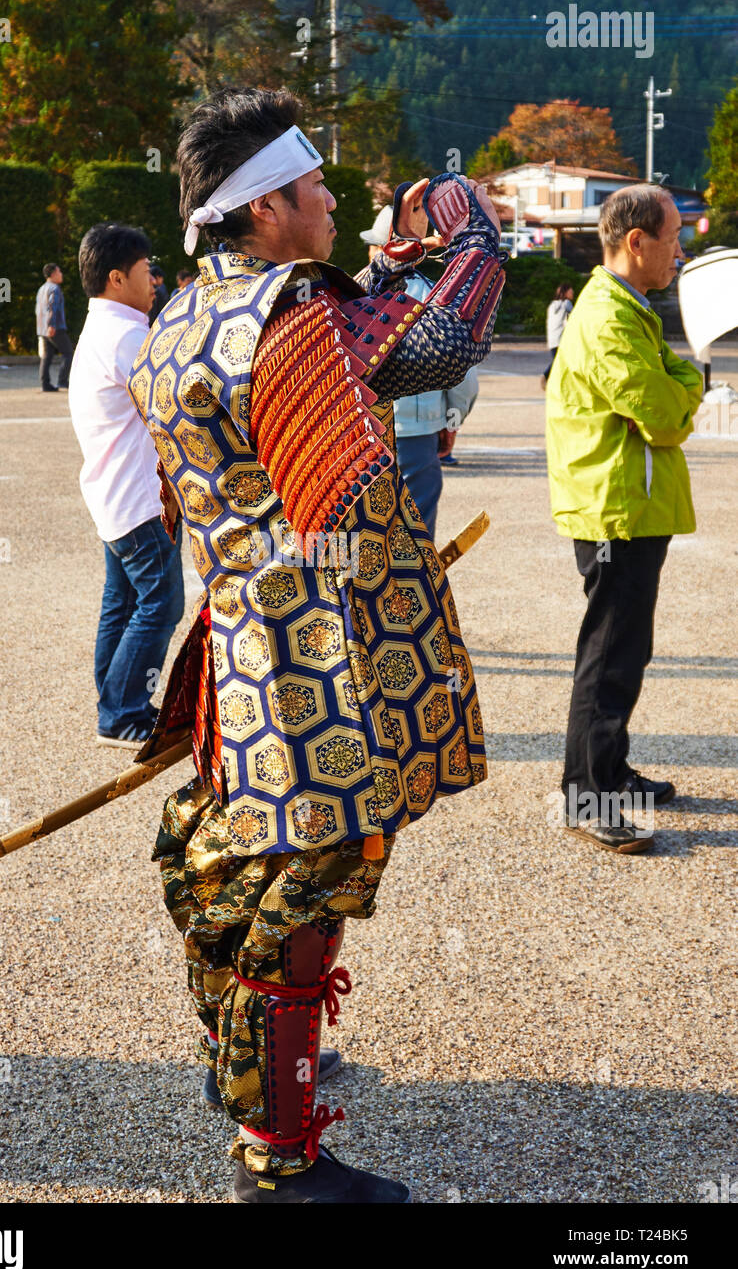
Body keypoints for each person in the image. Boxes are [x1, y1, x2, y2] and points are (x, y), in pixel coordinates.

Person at [127, 87, 506, 1203]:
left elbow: (325, 365)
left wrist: (379, 273)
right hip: (315, 666)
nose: (331, 197)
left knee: (223, 858)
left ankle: (234, 1067)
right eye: (312, 187)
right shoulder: (293, 315)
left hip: (234, 643)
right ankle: (278, 1158)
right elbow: (443, 344)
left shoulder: (184, 316)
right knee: (310, 886)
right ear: (265, 210)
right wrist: (471, 238)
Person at [546, 186, 703, 854]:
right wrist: (691, 385)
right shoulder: (610, 316)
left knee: (624, 648)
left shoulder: (627, 308)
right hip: (615, 508)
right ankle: (585, 792)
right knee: (609, 653)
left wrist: (680, 382)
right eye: (672, 237)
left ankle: (608, 771)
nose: (679, 250)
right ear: (635, 241)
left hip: (629, 504)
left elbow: (671, 380)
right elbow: (665, 414)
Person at [68, 224, 185, 747]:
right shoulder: (128, 336)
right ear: (117, 277)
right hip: (139, 499)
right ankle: (123, 712)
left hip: (112, 494)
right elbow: (178, 401)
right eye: (145, 270)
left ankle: (114, 701)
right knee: (161, 603)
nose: (154, 279)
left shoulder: (101, 328)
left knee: (122, 601)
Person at [358, 206, 479, 534]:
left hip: (361, 431)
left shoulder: (353, 293)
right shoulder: (435, 296)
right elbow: (462, 375)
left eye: (374, 244)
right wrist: (450, 421)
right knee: (418, 523)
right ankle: (418, 582)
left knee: (365, 522)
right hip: (418, 430)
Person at [35, 263, 74, 391]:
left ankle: (45, 384)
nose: (61, 274)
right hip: (55, 327)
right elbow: (52, 307)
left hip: (42, 329)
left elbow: (39, 309)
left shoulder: (41, 289)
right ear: (53, 274)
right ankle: (62, 381)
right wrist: (51, 325)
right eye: (59, 271)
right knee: (68, 353)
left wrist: (43, 327)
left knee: (47, 356)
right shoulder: (54, 289)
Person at [541, 282, 574, 389]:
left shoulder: (552, 305)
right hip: (562, 339)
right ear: (565, 292)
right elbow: (575, 317)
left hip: (552, 339)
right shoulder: (567, 304)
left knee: (559, 361)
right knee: (562, 362)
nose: (572, 292)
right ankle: (546, 376)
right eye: (570, 290)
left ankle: (557, 383)